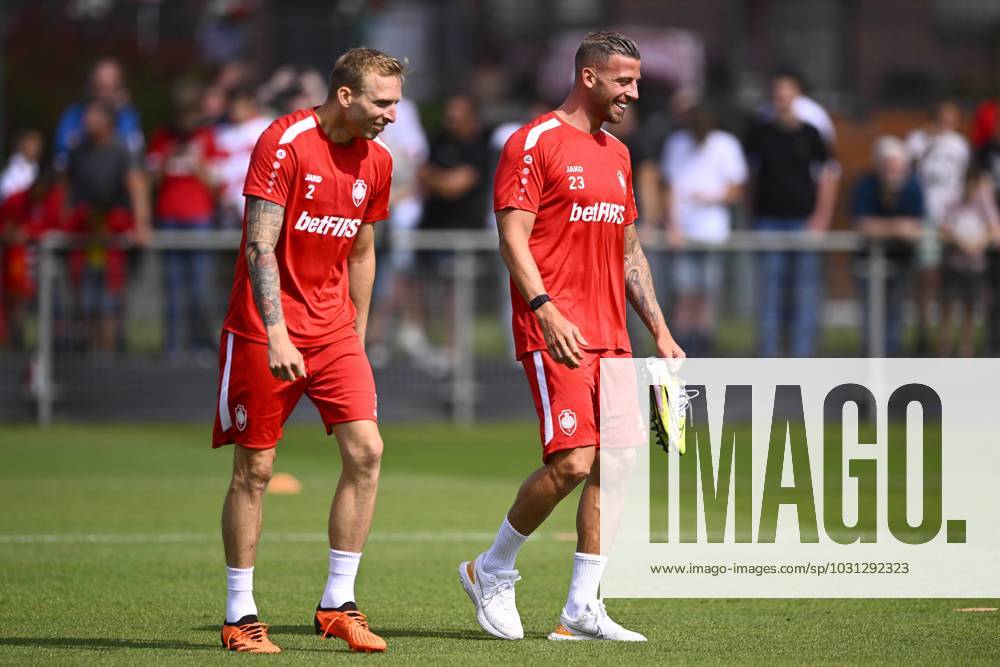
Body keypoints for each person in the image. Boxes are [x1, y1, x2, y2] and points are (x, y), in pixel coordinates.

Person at [459, 31, 683, 643]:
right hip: (556, 332)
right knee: (572, 463)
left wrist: (660, 330)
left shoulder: (619, 154)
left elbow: (630, 250)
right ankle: (491, 567)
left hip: (613, 336)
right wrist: (545, 310)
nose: (633, 93)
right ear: (588, 77)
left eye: (637, 82)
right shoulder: (533, 142)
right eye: (623, 81)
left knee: (620, 462)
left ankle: (582, 609)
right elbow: (511, 236)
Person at [212, 47, 402, 654]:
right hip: (262, 330)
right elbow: (259, 244)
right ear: (345, 95)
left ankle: (337, 604)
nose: (392, 115)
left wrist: (357, 338)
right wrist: (276, 332)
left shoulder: (379, 161)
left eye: (396, 103)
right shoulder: (284, 141)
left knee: (367, 451)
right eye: (382, 102)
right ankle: (239, 615)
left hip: (334, 332)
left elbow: (362, 252)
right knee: (255, 470)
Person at [746, 70, 839, 357]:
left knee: (805, 294)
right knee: (769, 294)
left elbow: (828, 176)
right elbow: (750, 175)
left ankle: (801, 360)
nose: (783, 96)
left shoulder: (811, 133)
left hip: (802, 223)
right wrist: (752, 214)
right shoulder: (760, 132)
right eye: (778, 91)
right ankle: (769, 359)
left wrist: (821, 218)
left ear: (797, 95)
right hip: (768, 222)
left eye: (788, 90)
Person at [660, 99, 747, 356]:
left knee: (706, 295)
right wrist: (672, 224)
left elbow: (737, 189)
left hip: (712, 233)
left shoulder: (726, 145)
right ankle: (681, 347)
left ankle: (703, 348)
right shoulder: (676, 143)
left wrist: (710, 197)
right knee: (684, 293)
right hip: (683, 232)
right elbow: (669, 187)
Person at [64, 101, 152, 352]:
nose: (87, 120)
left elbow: (136, 185)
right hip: (85, 235)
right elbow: (67, 189)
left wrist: (141, 224)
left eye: (93, 115)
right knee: (84, 297)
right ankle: (88, 353)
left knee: (110, 299)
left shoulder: (121, 150)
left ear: (108, 122)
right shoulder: (78, 151)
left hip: (114, 235)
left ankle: (108, 354)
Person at [146, 81, 219, 361]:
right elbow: (151, 180)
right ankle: (173, 347)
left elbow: (216, 184)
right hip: (169, 216)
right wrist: (168, 160)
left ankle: (200, 343)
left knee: (200, 285)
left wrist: (197, 162)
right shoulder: (162, 138)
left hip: (199, 217)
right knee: (173, 285)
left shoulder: (207, 137)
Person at [905, 99, 970, 354]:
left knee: (954, 278)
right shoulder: (918, 139)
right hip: (927, 215)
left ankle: (949, 338)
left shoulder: (960, 144)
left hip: (953, 218)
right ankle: (923, 331)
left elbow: (964, 180)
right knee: (927, 274)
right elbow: (908, 167)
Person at [853, 136, 924, 357]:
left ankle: (891, 368)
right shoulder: (866, 185)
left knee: (895, 318)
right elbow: (863, 225)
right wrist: (896, 228)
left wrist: (883, 228)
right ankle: (869, 369)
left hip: (901, 262)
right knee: (870, 321)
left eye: (896, 168)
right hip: (868, 263)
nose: (891, 174)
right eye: (887, 167)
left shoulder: (912, 187)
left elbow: (915, 229)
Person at [937, 167, 999, 356]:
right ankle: (945, 348)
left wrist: (979, 243)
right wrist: (960, 241)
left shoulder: (985, 205)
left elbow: (995, 231)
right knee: (947, 307)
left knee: (970, 308)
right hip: (954, 264)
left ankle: (966, 349)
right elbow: (943, 229)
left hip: (975, 266)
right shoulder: (953, 202)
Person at [54, 58, 145, 170]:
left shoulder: (127, 116)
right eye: (97, 86)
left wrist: (114, 117)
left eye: (107, 88)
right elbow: (62, 152)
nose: (101, 94)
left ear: (119, 89)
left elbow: (132, 153)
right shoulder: (74, 114)